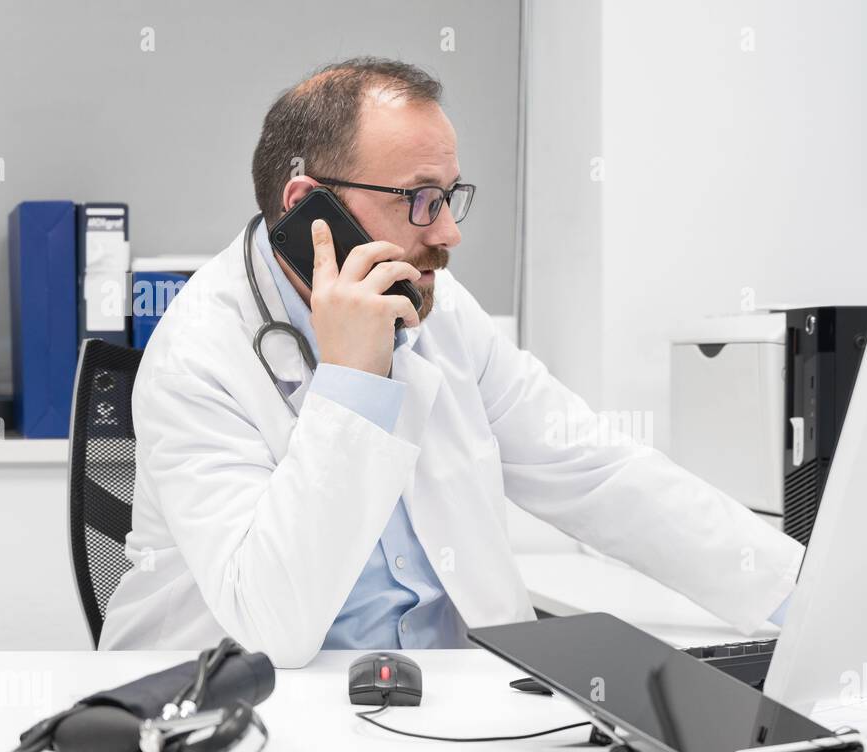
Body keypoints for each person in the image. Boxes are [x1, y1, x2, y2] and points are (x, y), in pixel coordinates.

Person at [100, 57, 800, 667]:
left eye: (451, 195)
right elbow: (273, 621)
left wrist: (804, 596)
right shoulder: (197, 355)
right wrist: (351, 383)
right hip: (259, 713)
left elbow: (593, 468)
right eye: (420, 201)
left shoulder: (441, 311)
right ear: (310, 209)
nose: (450, 231)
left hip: (451, 695)